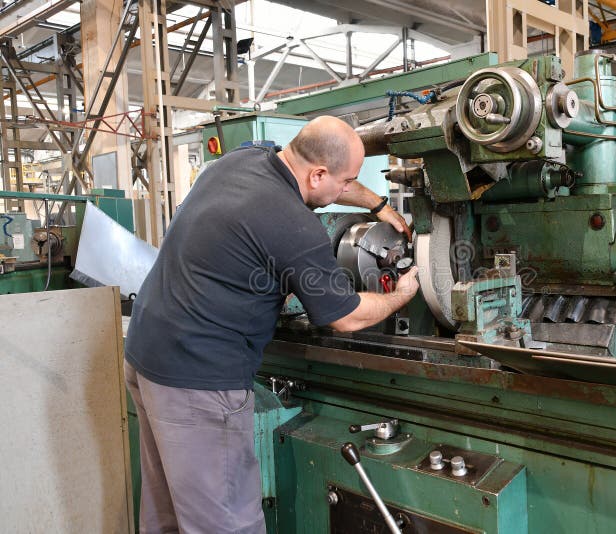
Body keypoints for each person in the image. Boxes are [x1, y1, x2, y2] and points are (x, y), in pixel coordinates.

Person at [124, 116, 419, 533]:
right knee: (226, 524)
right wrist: (402, 293)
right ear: (317, 173)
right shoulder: (294, 225)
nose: (344, 190)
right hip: (198, 380)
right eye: (346, 180)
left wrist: (377, 205)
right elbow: (346, 315)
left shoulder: (246, 158)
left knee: (169, 513)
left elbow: (330, 181)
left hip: (147, 355)